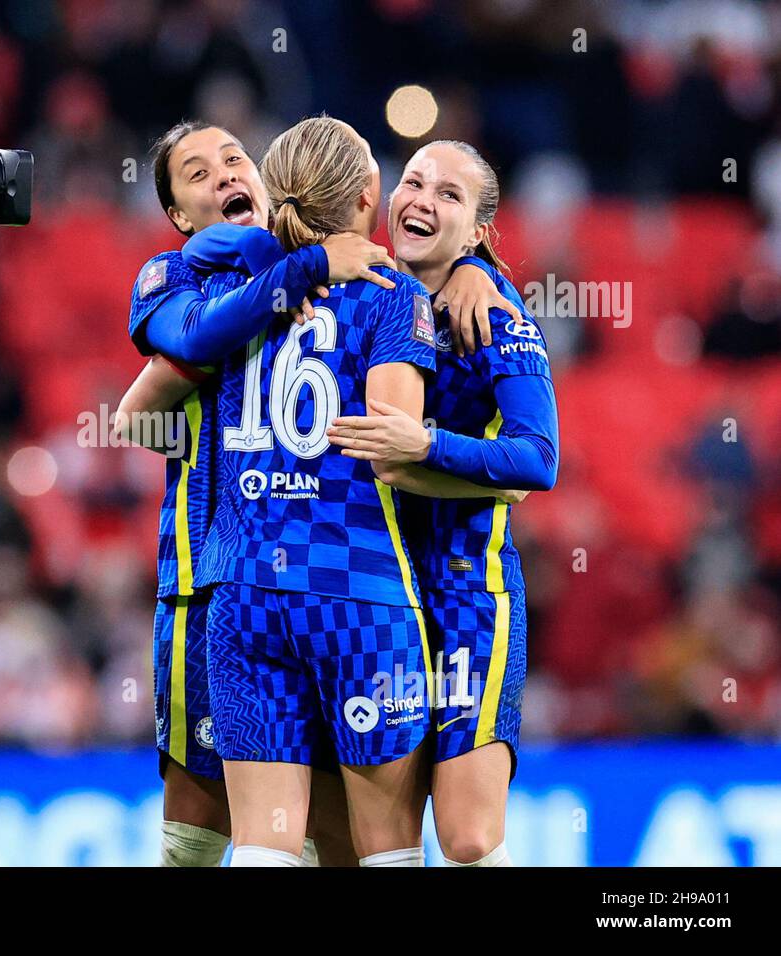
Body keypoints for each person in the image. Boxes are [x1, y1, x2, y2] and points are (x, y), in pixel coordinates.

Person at [181, 116, 525, 867]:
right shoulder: (391, 293)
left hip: (241, 591)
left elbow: (145, 401)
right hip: (359, 595)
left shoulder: (239, 287)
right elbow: (393, 449)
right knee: (387, 855)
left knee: (267, 848)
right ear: (371, 193)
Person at [120, 120, 392, 866]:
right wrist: (285, 283)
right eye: (197, 173)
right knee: (198, 835)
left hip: (329, 586)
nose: (224, 174)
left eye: (234, 158)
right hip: (209, 586)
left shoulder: (341, 275)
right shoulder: (170, 277)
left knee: (327, 831)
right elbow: (138, 416)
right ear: (178, 215)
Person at [326, 140, 559, 866]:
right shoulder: (352, 286)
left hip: (465, 593)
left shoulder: (495, 316)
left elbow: (537, 460)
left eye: (450, 194)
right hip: (363, 594)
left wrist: (422, 446)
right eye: (414, 181)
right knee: (362, 843)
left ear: (481, 230)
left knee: (466, 840)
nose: (422, 199)